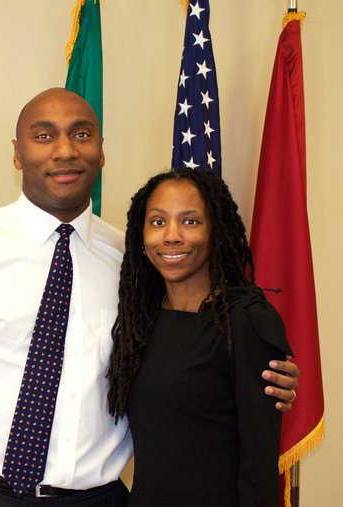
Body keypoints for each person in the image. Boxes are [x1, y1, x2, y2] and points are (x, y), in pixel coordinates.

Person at [0, 88, 299, 506]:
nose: (65, 151)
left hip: (102, 499)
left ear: (100, 153)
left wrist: (261, 373)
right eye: (44, 135)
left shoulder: (134, 261)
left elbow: (186, 348)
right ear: (17, 153)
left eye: (81, 134)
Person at [107, 169, 292, 506]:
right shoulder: (141, 321)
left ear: (214, 231)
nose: (171, 236)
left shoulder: (246, 319)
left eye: (190, 221)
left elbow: (259, 463)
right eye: (158, 222)